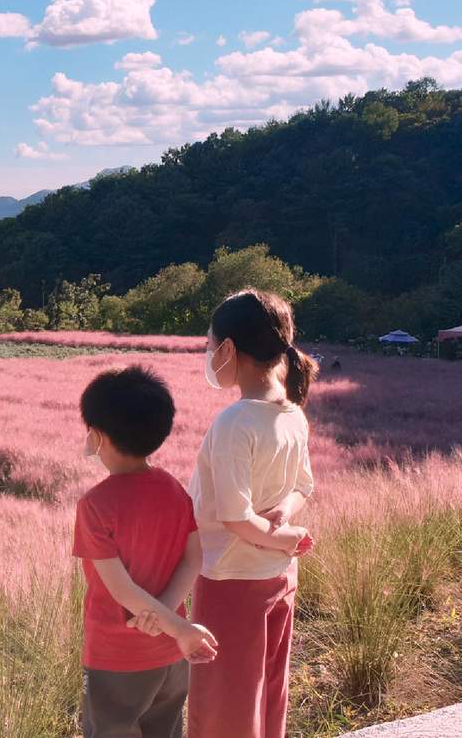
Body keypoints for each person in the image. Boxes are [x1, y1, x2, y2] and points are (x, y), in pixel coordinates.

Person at [185, 289, 317, 738]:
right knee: (268, 690)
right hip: (280, 578)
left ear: (229, 349)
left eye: (209, 344)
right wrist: (285, 515)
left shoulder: (234, 424)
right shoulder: (293, 414)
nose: (207, 354)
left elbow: (236, 518)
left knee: (224, 702)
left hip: (230, 580)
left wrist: (280, 536)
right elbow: (304, 486)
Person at [73, 366, 219, 738]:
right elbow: (193, 558)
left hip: (116, 655)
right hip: (169, 654)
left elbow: (121, 590)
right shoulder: (173, 489)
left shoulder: (95, 505)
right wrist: (170, 617)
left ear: (97, 436)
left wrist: (180, 628)